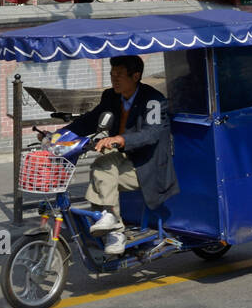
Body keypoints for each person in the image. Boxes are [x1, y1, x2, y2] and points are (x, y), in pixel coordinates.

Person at [68, 56, 178, 255]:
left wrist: (119, 139)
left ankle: (114, 228)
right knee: (102, 170)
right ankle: (111, 222)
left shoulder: (153, 100)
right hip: (124, 161)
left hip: (148, 167)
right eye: (112, 75)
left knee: (102, 168)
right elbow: (91, 120)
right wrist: (62, 134)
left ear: (135, 76)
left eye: (119, 75)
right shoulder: (111, 96)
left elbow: (151, 133)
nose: (114, 79)